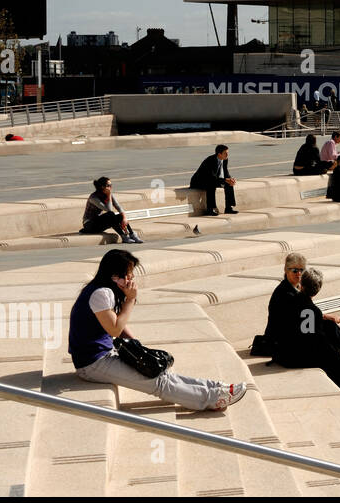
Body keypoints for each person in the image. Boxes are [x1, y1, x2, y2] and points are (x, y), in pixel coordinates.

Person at [70, 249, 246, 411]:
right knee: (155, 381)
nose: (131, 278)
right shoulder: (100, 294)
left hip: (103, 355)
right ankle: (212, 399)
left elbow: (118, 325)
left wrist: (139, 348)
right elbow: (115, 329)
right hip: (92, 364)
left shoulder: (105, 291)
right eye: (129, 273)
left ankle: (214, 387)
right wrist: (130, 300)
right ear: (115, 276)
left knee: (159, 371)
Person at [264, 255, 340, 403]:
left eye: (301, 270)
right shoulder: (285, 294)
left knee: (329, 326)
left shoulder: (295, 291)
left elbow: (306, 317)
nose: (298, 273)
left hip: (295, 339)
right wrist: (337, 352)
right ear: (286, 270)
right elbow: (310, 333)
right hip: (285, 347)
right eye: (294, 270)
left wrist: (324, 317)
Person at [80, 176, 142, 244]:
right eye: (108, 185)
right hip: (89, 225)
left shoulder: (108, 194)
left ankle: (132, 235)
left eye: (111, 185)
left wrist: (124, 218)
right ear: (102, 187)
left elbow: (118, 206)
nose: (110, 187)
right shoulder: (93, 198)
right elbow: (109, 209)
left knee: (120, 216)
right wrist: (109, 195)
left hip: (98, 222)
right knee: (111, 215)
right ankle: (124, 236)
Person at [189, 144, 237, 216]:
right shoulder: (210, 160)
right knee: (211, 185)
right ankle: (210, 209)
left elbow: (225, 172)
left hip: (212, 179)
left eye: (227, 153)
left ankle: (228, 208)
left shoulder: (224, 159)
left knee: (229, 184)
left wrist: (230, 179)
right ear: (219, 154)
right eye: (225, 153)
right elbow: (211, 177)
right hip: (199, 182)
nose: (227, 155)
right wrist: (225, 180)